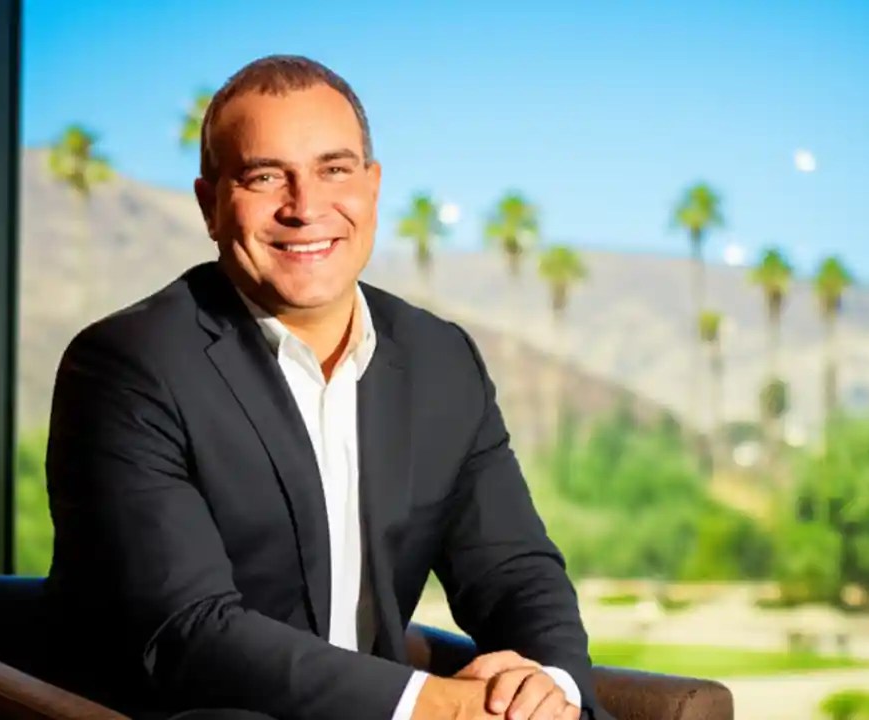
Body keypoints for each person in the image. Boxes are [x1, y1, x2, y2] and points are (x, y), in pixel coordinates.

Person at [44, 54, 610, 720]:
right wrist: (441, 709)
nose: (305, 207)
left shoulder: (440, 359)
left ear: (372, 188)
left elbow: (514, 571)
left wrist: (552, 687)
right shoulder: (128, 367)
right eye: (264, 176)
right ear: (210, 204)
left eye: (333, 170)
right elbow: (188, 634)